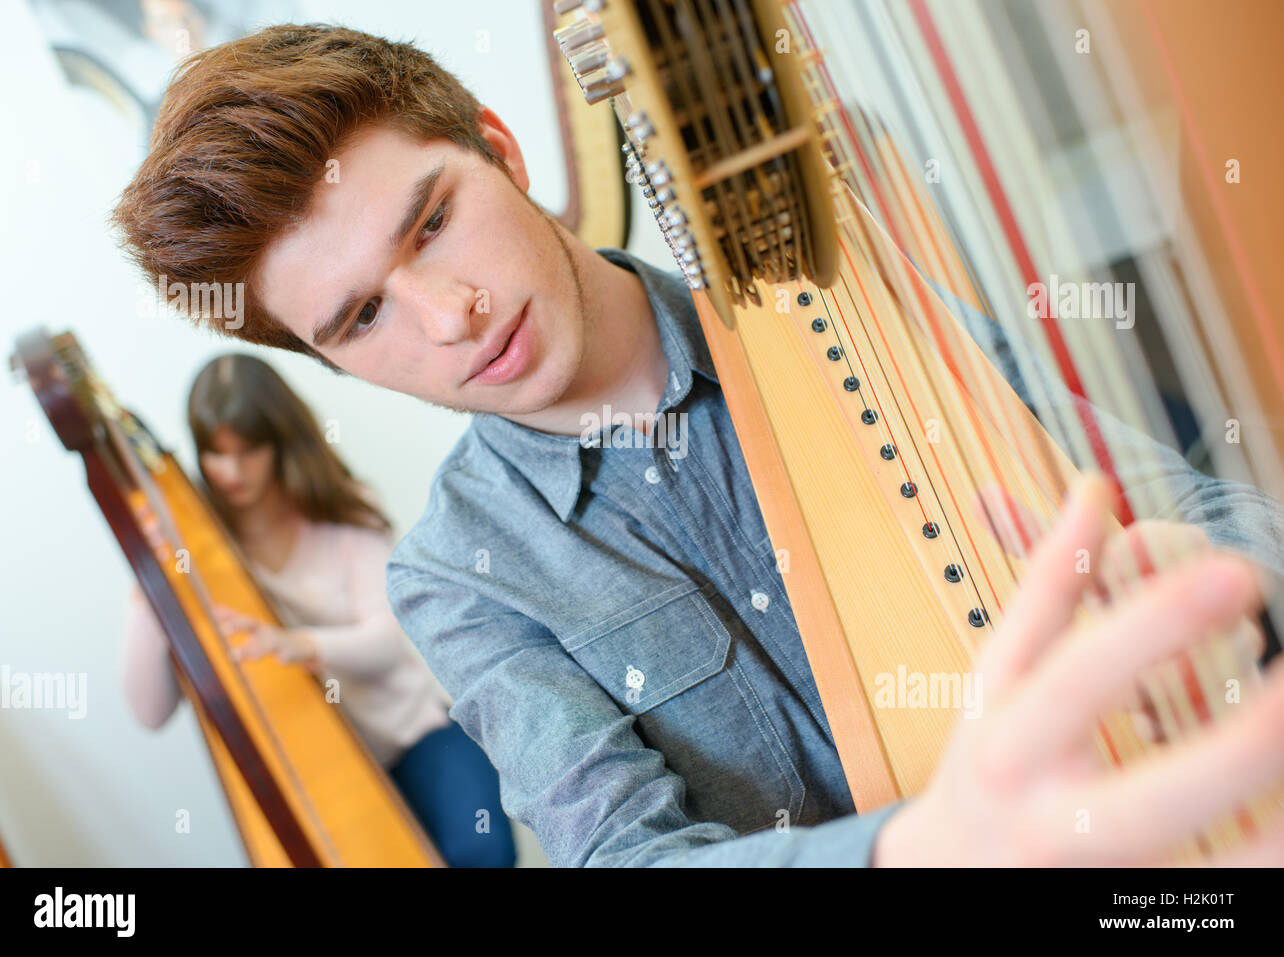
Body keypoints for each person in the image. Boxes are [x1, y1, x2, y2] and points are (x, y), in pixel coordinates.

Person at [109, 23, 1284, 867]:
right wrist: (927, 850)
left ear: (504, 150)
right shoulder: (456, 583)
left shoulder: (846, 287)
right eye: (362, 317)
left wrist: (1208, 582)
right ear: (334, 363)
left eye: (434, 222)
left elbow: (1201, 509)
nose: (448, 315)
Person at [121, 353, 516, 868]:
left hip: (411, 733)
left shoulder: (341, 509)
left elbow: (389, 638)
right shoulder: (196, 547)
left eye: (249, 451)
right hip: (310, 773)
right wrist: (150, 585)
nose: (231, 472)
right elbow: (149, 714)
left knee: (480, 852)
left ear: (281, 439)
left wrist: (300, 645)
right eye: (216, 455)